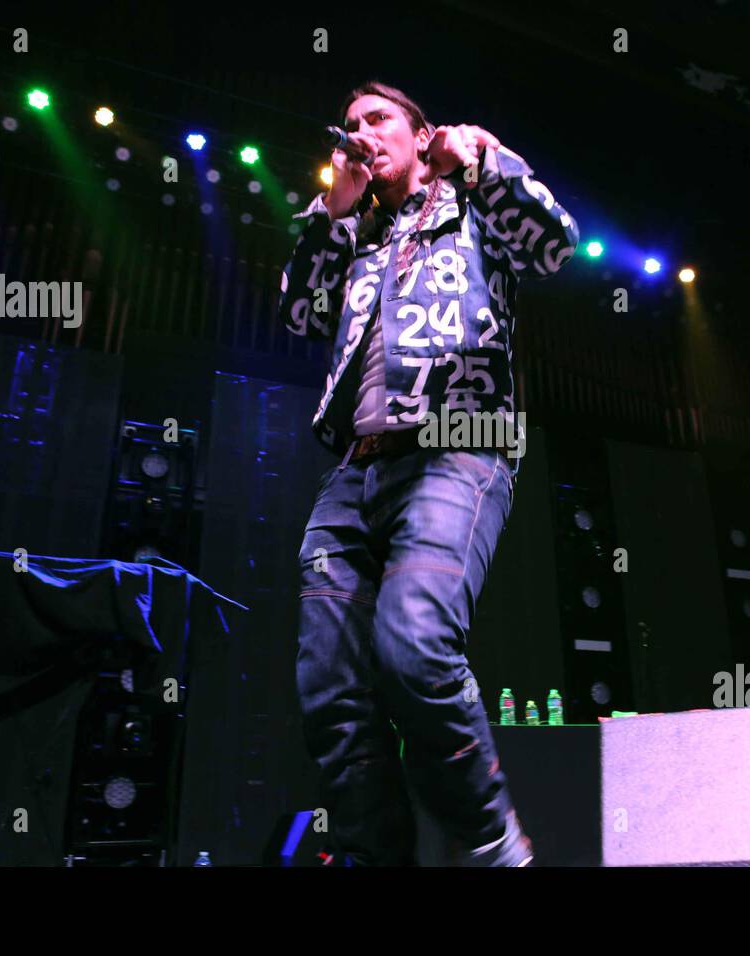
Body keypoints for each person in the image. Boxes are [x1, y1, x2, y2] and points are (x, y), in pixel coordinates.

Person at [278, 80, 578, 866]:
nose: (360, 135)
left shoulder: (471, 206)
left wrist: (482, 159)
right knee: (333, 694)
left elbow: (555, 245)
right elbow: (298, 316)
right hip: (354, 468)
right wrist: (330, 215)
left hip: (458, 442)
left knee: (412, 643)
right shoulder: (357, 238)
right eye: (349, 126)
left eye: (378, 120)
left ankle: (490, 845)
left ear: (419, 134)